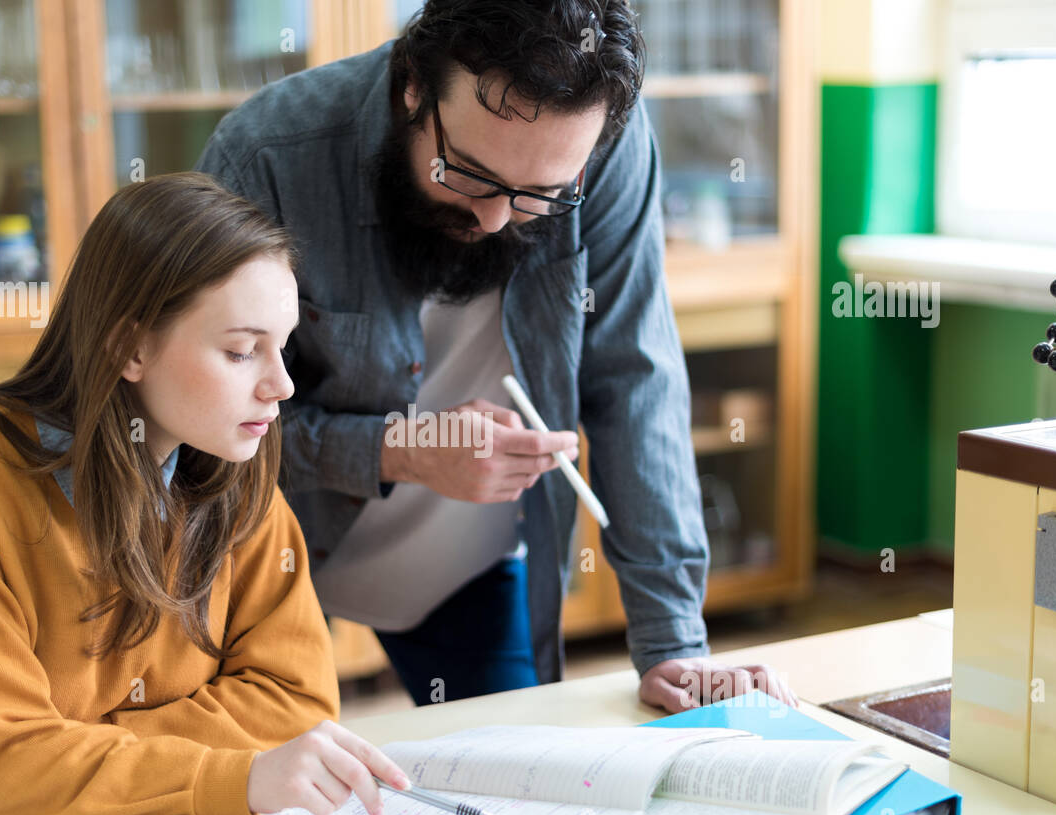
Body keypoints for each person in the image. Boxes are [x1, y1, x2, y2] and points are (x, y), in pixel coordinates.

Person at [195, 0, 798, 711]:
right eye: (469, 174)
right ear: (413, 84)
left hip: (466, 564)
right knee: (273, 787)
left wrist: (674, 644)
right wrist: (401, 450)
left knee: (518, 783)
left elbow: (634, 379)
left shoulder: (604, 146)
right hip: (277, 548)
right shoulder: (268, 155)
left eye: (541, 195)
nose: (495, 220)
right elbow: (204, 429)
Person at [0, 172, 410, 815]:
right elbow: (5, 771)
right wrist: (238, 776)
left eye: (281, 347)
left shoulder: (236, 462)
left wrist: (49, 754)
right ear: (129, 346)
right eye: (240, 351)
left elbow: (299, 704)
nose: (279, 386)